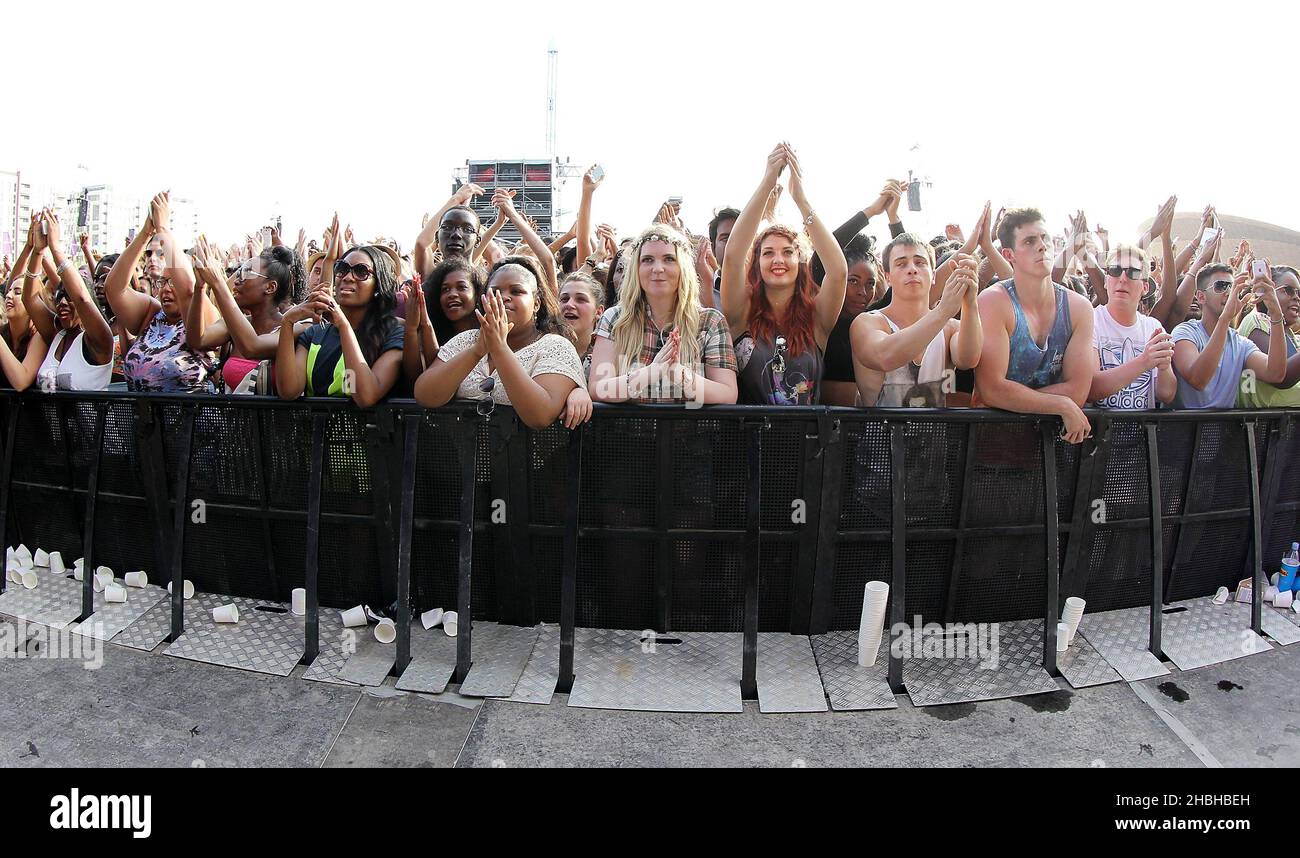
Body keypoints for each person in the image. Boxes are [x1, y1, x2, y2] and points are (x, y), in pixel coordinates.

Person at [721, 143, 847, 406]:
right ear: (757, 262)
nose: (778, 259)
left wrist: (801, 199)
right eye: (768, 253)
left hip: (807, 433)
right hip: (748, 432)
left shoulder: (816, 317)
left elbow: (838, 271)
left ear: (800, 260)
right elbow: (733, 257)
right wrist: (768, 182)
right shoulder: (742, 311)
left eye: (787, 252)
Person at [413, 258, 586, 429]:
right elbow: (425, 396)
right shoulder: (466, 340)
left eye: (516, 291)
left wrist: (499, 348)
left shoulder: (555, 347)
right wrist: (477, 351)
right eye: (494, 291)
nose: (503, 297)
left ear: (536, 303)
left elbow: (540, 416)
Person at [973, 208, 1095, 444]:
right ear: (1009, 254)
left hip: (1051, 445)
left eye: (1045, 238)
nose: (1042, 246)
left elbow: (1078, 391)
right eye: (1029, 241)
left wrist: (1010, 399)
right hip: (991, 444)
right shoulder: (993, 301)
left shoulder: (1079, 308)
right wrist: (1061, 404)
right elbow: (991, 389)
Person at [589, 225, 738, 405]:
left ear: (683, 268)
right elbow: (597, 388)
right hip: (626, 424)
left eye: (669, 259)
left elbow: (728, 393)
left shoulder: (710, 322)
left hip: (690, 424)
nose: (658, 268)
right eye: (648, 260)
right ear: (636, 269)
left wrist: (679, 374)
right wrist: (651, 372)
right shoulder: (615, 318)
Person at [276, 214, 405, 406]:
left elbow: (364, 396)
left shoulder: (393, 333)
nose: (347, 277)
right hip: (313, 426)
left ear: (378, 285)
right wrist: (287, 323)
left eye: (361, 272)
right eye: (342, 268)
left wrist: (344, 326)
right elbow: (289, 391)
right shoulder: (315, 333)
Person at [105, 192, 220, 393]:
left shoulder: (204, 312)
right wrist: (146, 233)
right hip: (143, 413)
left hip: (189, 412)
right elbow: (114, 289)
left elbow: (187, 289)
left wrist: (163, 229)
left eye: (172, 282)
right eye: (162, 282)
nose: (166, 288)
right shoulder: (151, 313)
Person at [850, 232, 982, 407]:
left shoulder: (950, 328)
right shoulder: (868, 322)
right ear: (888, 276)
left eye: (920, 262)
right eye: (901, 264)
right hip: (881, 425)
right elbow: (885, 357)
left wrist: (970, 303)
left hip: (935, 426)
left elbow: (968, 359)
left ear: (933, 275)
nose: (912, 269)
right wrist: (942, 311)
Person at [814, 181, 908, 405]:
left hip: (866, 422)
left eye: (870, 283)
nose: (862, 292)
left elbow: (905, 279)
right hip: (822, 421)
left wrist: (894, 218)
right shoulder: (823, 318)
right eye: (853, 281)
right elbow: (821, 257)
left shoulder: (874, 319)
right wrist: (871, 212)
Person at [1, 210, 114, 391]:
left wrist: (56, 249)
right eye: (60, 296)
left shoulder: (100, 340)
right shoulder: (56, 334)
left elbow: (82, 299)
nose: (62, 302)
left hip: (88, 412)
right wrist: (37, 252)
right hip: (47, 411)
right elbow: (29, 299)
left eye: (69, 297)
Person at [188, 238, 308, 393]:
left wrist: (218, 283)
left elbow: (252, 347)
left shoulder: (293, 329)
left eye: (247, 273)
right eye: (239, 272)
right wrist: (199, 287)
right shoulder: (232, 325)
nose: (237, 280)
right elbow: (197, 340)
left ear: (270, 287)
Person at [1171, 263, 1286, 409]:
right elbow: (1198, 380)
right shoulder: (1184, 332)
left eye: (1232, 287)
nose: (1228, 293)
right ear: (1201, 296)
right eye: (1220, 286)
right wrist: (1225, 319)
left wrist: (1276, 313)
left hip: (1225, 423)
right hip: (1183, 423)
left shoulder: (1240, 342)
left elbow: (1275, 374)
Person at [1088, 245, 1176, 410]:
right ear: (1106, 281)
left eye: (1133, 272)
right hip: (1100, 426)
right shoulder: (1090, 320)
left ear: (1145, 287)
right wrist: (1144, 361)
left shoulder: (1153, 327)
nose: (1122, 278)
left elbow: (1167, 395)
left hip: (1142, 426)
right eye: (1115, 270)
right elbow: (1090, 388)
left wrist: (1164, 367)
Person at [1237, 265, 1300, 407]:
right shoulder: (1256, 321)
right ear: (1266, 291)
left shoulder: (1294, 338)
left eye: (1299, 293)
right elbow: (1282, 378)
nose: (1296, 297)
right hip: (1265, 419)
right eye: (1288, 290)